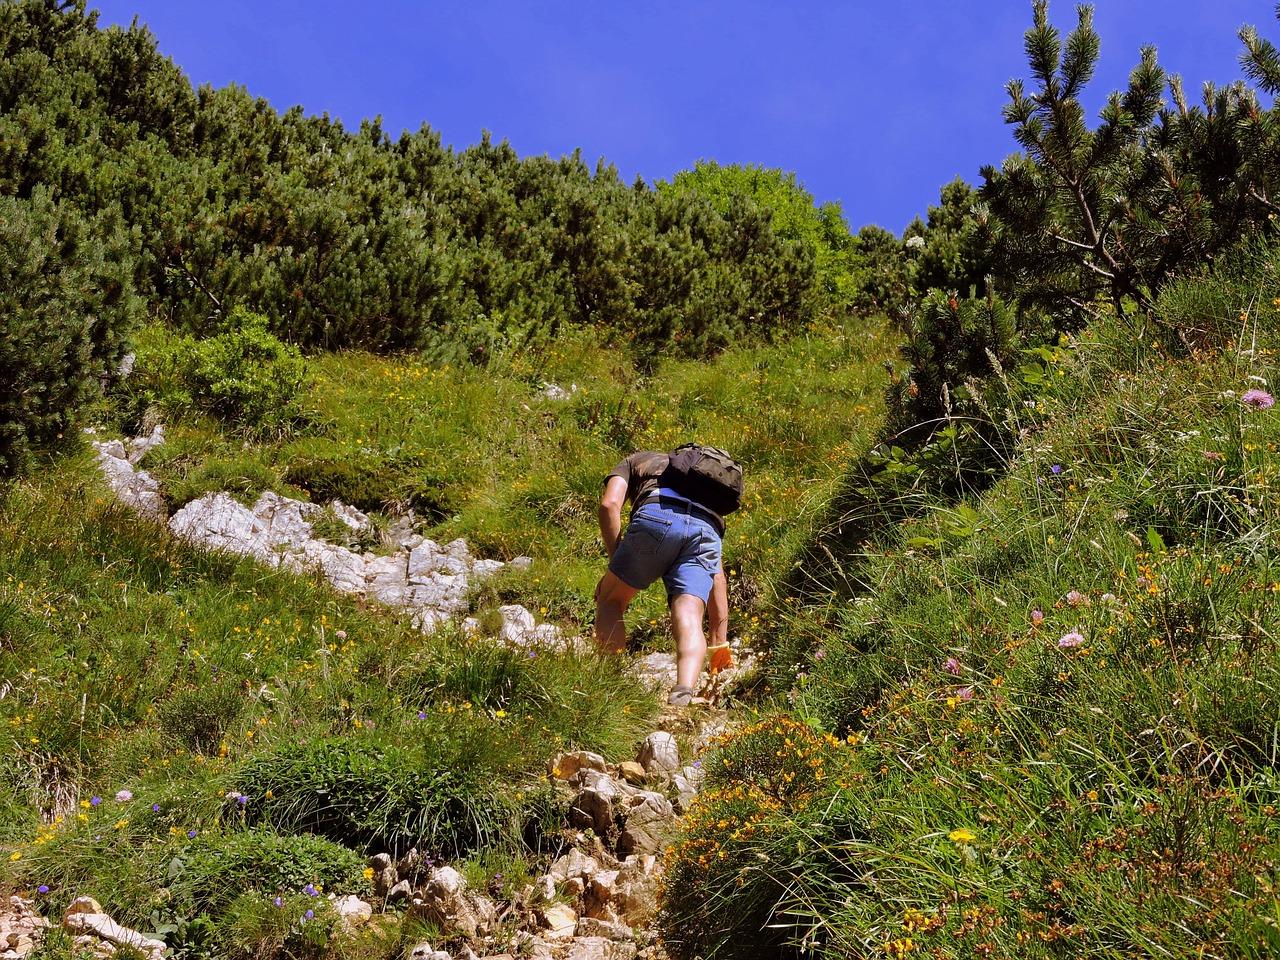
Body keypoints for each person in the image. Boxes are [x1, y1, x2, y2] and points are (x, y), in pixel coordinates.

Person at [594, 448, 733, 706]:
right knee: (690, 613)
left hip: (658, 515)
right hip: (707, 530)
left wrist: (617, 562)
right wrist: (719, 644)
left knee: (610, 600)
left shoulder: (636, 461)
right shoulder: (706, 488)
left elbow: (609, 504)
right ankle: (683, 691)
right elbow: (718, 577)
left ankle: (607, 683)